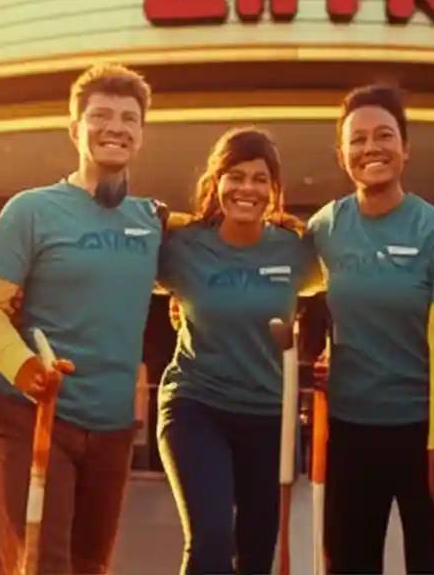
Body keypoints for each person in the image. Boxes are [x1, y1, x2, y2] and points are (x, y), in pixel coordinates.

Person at [0, 63, 166, 575]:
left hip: (113, 427)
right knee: (40, 566)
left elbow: (216, 251)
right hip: (31, 416)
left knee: (90, 566)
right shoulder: (30, 211)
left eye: (129, 118)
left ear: (142, 134)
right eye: (100, 115)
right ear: (75, 128)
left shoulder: (151, 220)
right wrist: (25, 368)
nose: (115, 127)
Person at [307, 84, 434, 575]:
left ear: (405, 147)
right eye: (357, 139)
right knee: (348, 562)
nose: (371, 147)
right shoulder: (326, 227)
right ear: (341, 154)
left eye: (384, 135)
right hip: (350, 429)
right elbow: (278, 277)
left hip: (423, 431)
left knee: (428, 561)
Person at [156, 127, 316, 574]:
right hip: (197, 406)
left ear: (274, 189)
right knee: (211, 541)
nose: (248, 188)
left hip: (270, 416)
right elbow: (122, 269)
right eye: (236, 176)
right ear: (217, 182)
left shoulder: (295, 250)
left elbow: (353, 282)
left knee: (257, 553)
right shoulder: (184, 248)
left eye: (260, 179)